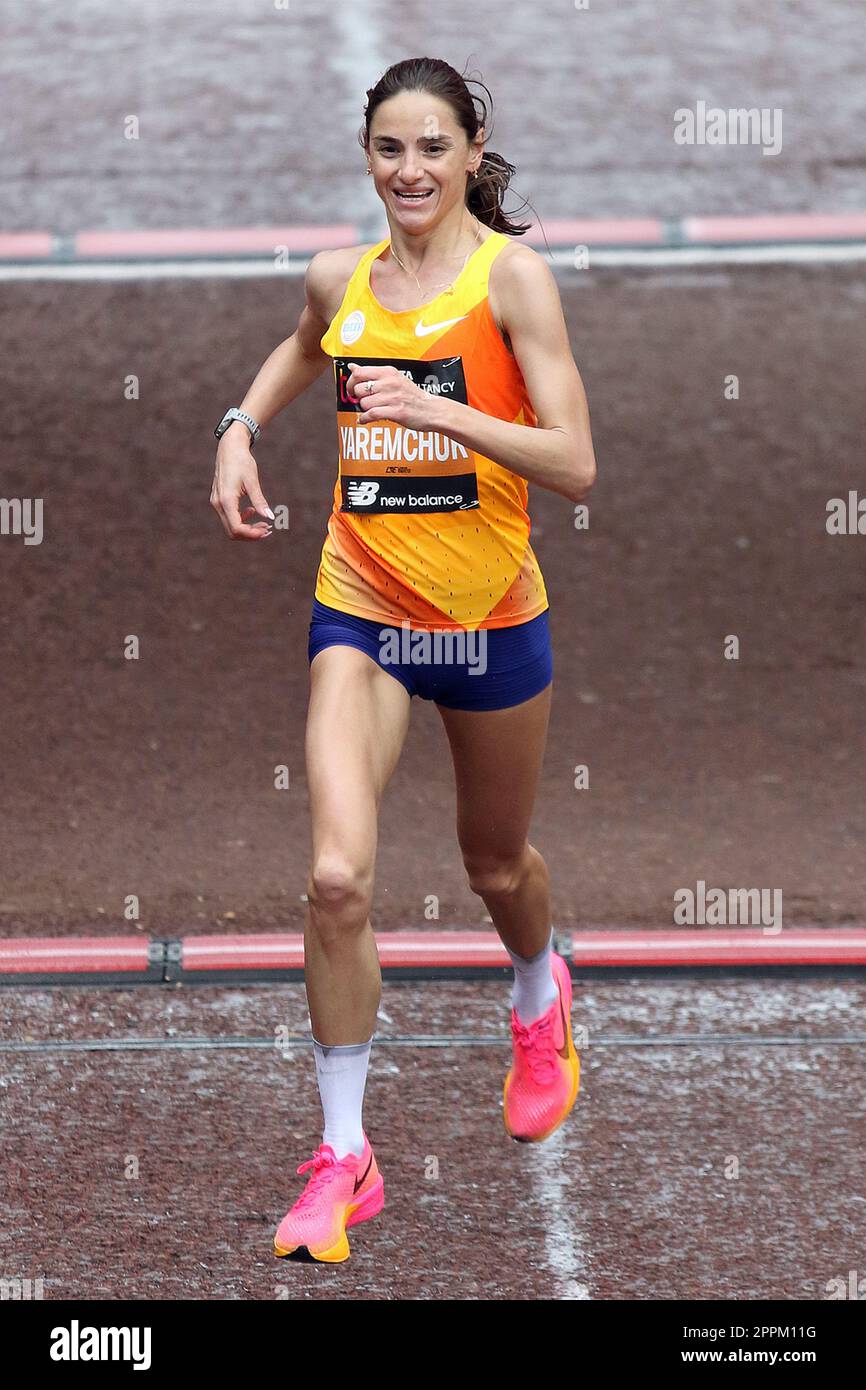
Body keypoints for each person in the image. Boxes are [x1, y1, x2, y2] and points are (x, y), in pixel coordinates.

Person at [210, 56, 597, 1265]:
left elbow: (575, 460)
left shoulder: (512, 283)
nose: (411, 170)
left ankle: (538, 991)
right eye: (390, 148)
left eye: (433, 147)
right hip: (362, 611)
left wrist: (442, 415)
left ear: (473, 150)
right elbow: (303, 345)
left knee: (495, 863)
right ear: (366, 155)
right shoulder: (344, 279)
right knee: (334, 877)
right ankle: (344, 1155)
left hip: (487, 618)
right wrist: (238, 430)